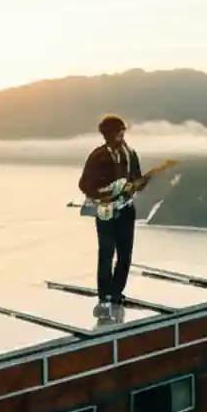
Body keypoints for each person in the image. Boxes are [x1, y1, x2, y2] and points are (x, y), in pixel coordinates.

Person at [78, 115, 148, 317]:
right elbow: (84, 184)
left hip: (126, 208)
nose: (122, 135)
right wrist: (104, 194)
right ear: (108, 134)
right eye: (119, 132)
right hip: (106, 209)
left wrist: (138, 184)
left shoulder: (130, 153)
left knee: (125, 254)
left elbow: (137, 178)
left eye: (123, 131)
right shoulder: (97, 156)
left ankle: (116, 292)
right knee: (106, 253)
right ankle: (104, 295)